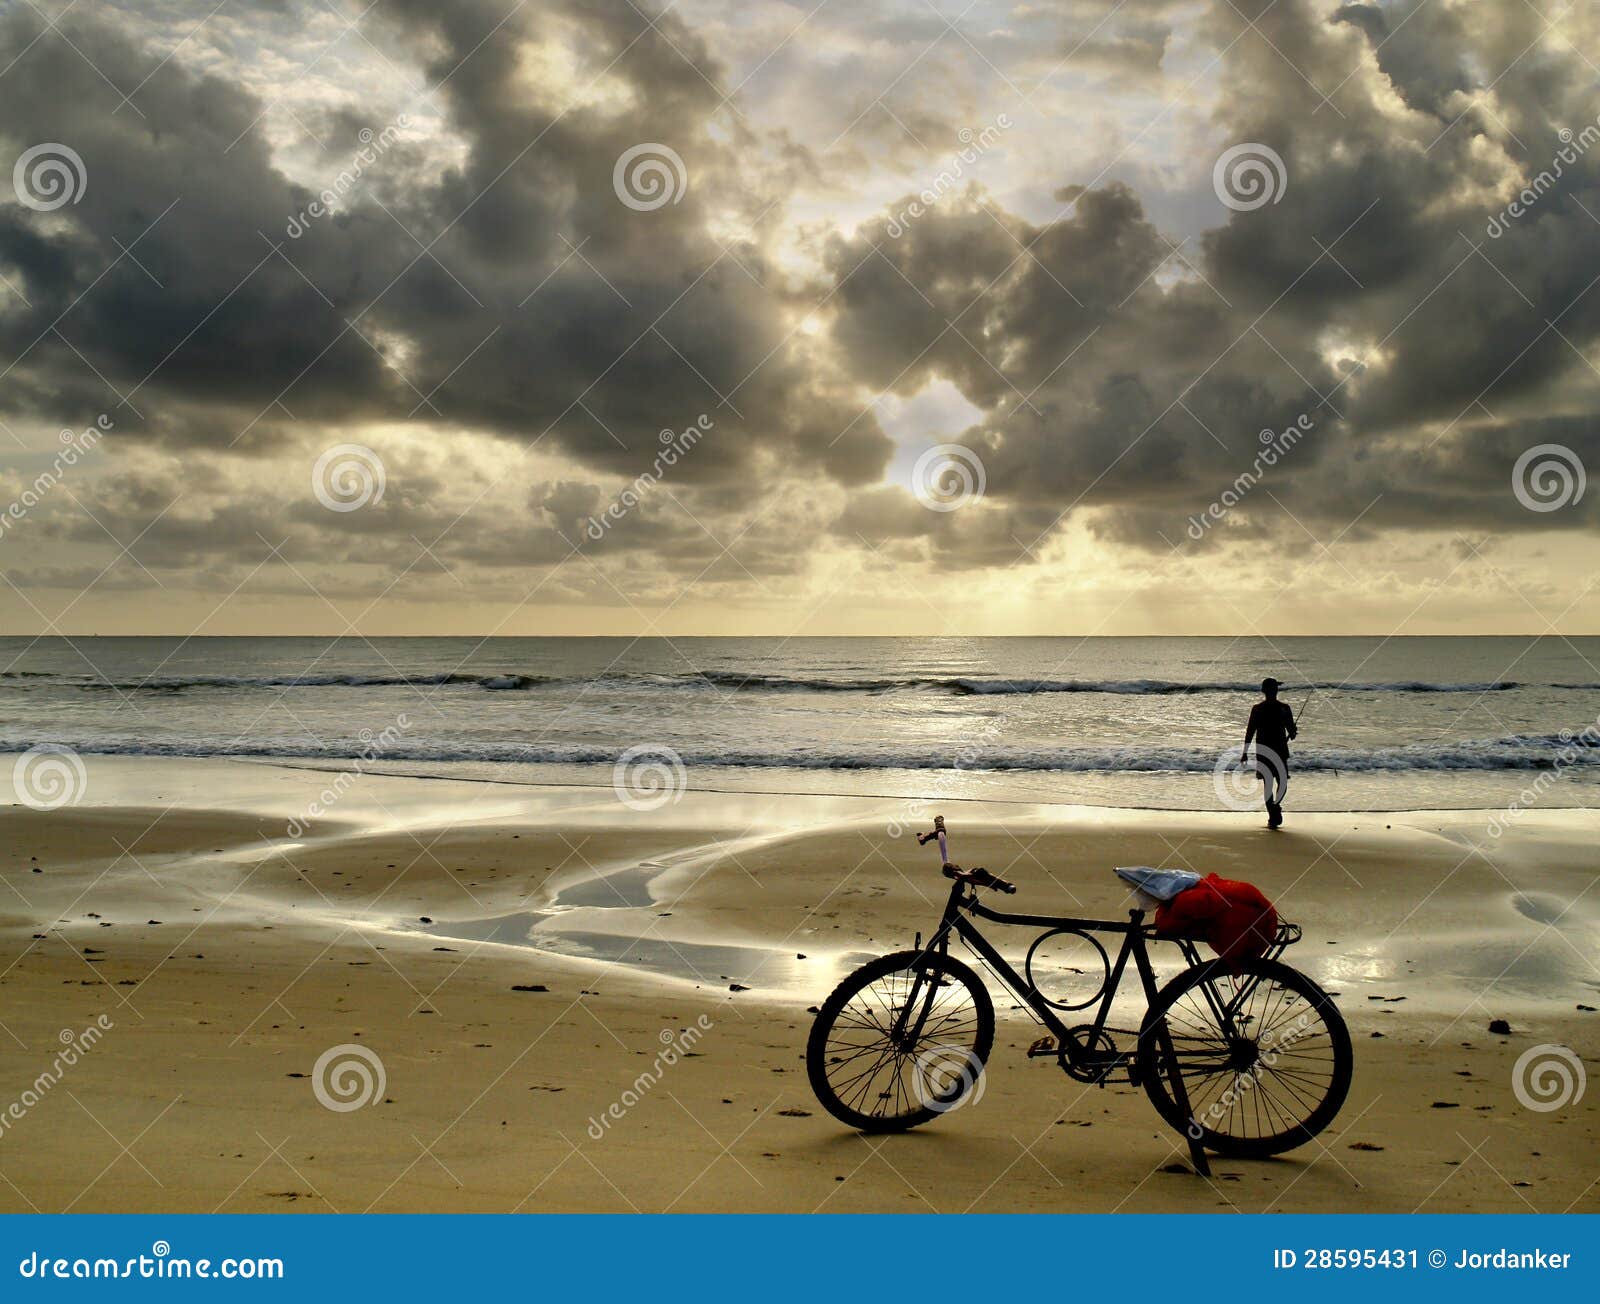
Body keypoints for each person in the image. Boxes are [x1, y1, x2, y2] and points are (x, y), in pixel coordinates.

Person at [1242, 677, 1297, 828]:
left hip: (1264, 751)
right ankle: (1275, 807)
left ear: (1263, 691)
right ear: (1275, 690)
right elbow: (1291, 731)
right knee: (1282, 782)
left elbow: (1250, 732)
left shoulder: (1258, 709)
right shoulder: (1284, 708)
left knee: (1269, 784)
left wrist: (1245, 752)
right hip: (1279, 751)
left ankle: (1273, 812)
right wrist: (1293, 733)